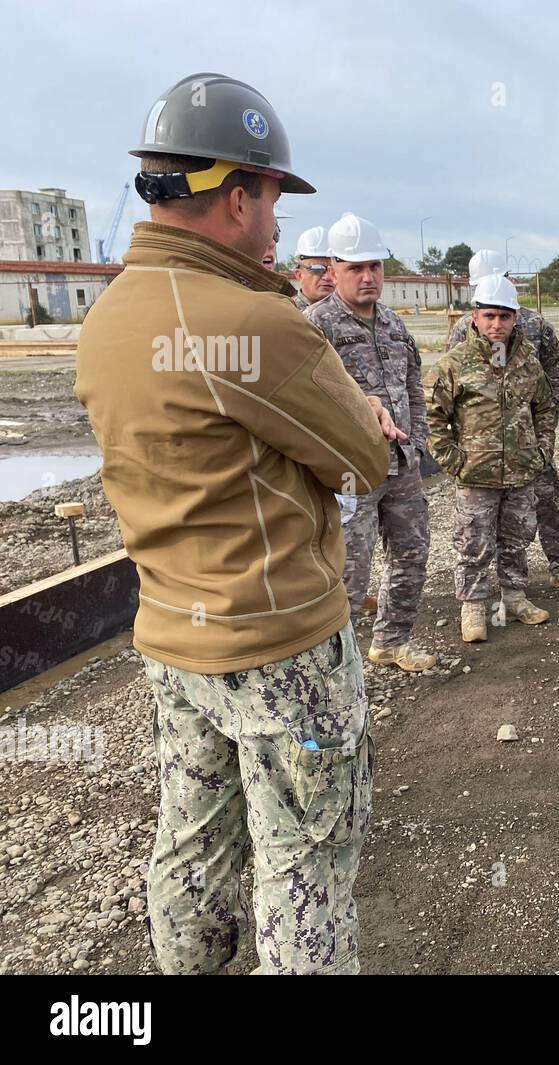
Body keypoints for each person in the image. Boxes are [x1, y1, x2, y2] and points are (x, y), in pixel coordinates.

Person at [75, 73, 398, 974]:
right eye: (271, 200)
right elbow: (364, 462)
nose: (276, 224)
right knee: (305, 857)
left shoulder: (105, 322)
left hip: (174, 638)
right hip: (280, 644)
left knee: (192, 840)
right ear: (235, 194)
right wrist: (364, 416)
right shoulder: (256, 324)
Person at [306, 213, 435, 672]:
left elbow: (414, 385)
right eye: (356, 268)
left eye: (375, 267)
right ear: (333, 269)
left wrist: (417, 440)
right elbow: (307, 398)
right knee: (349, 570)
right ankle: (337, 667)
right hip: (349, 471)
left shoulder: (394, 324)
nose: (367, 277)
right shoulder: (314, 326)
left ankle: (392, 641)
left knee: (412, 553)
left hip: (401, 466)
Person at [427, 274, 558, 642]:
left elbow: (545, 407)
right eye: (489, 316)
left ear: (516, 318)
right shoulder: (455, 364)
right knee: (473, 542)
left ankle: (515, 597)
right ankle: (473, 607)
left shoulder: (528, 362)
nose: (496, 324)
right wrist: (454, 461)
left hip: (521, 473)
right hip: (476, 476)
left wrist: (542, 451)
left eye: (504, 316)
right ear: (475, 318)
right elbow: (433, 416)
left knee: (517, 537)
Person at [447, 250, 559, 593]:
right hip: (482, 446)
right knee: (480, 517)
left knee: (547, 498)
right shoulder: (464, 329)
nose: (496, 322)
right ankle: (487, 586)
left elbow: (551, 381)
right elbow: (451, 392)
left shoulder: (536, 326)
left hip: (528, 438)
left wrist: (544, 439)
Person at [292, 225, 335, 309]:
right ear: (299, 275)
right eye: (318, 269)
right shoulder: (287, 313)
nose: (327, 277)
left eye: (333, 270)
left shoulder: (352, 313)